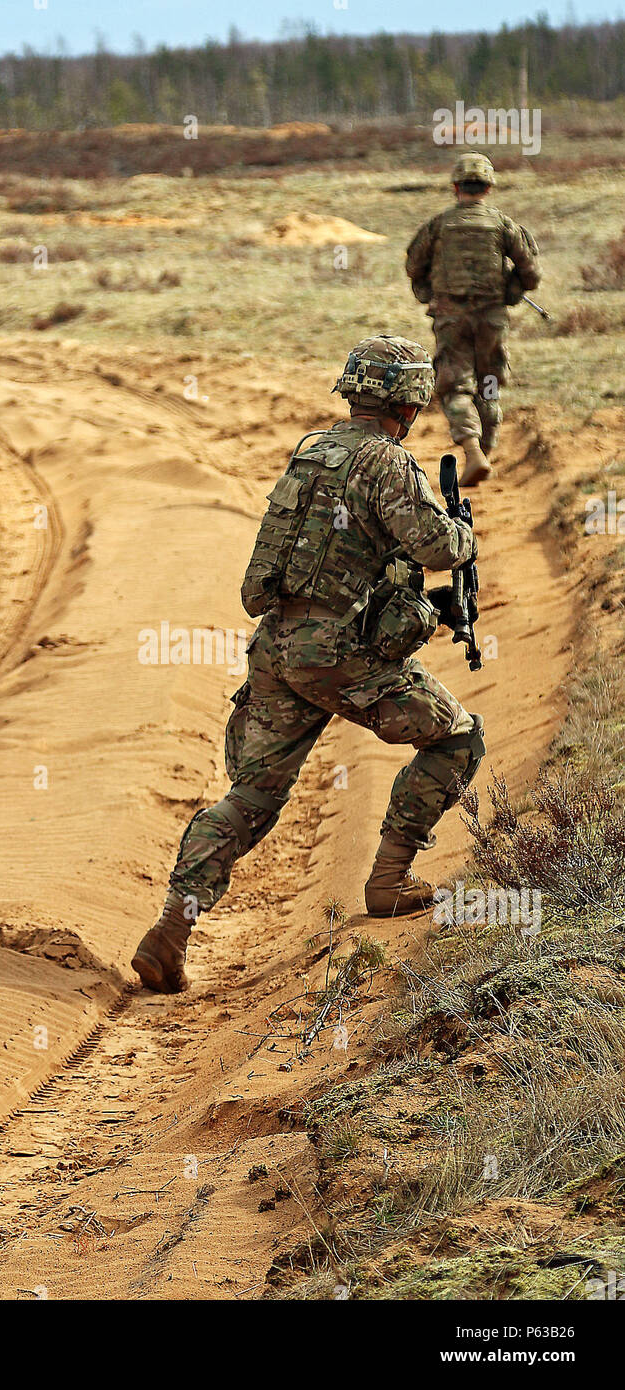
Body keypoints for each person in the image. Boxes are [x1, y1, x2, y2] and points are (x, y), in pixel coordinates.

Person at [132, 336, 485, 994]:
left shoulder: (311, 452)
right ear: (408, 405)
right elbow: (435, 545)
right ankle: (389, 880)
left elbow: (333, 551)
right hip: (341, 656)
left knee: (251, 799)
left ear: (352, 391)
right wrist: (466, 534)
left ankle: (173, 927)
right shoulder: (387, 462)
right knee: (460, 736)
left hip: (278, 648)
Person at [405, 153, 541, 486]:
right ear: (488, 187)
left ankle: (472, 450)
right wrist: (509, 291)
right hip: (492, 319)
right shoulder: (504, 225)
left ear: (455, 187)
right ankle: (487, 450)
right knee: (490, 383)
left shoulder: (439, 225)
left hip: (452, 319)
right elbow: (531, 273)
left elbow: (413, 265)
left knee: (455, 385)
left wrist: (428, 292)